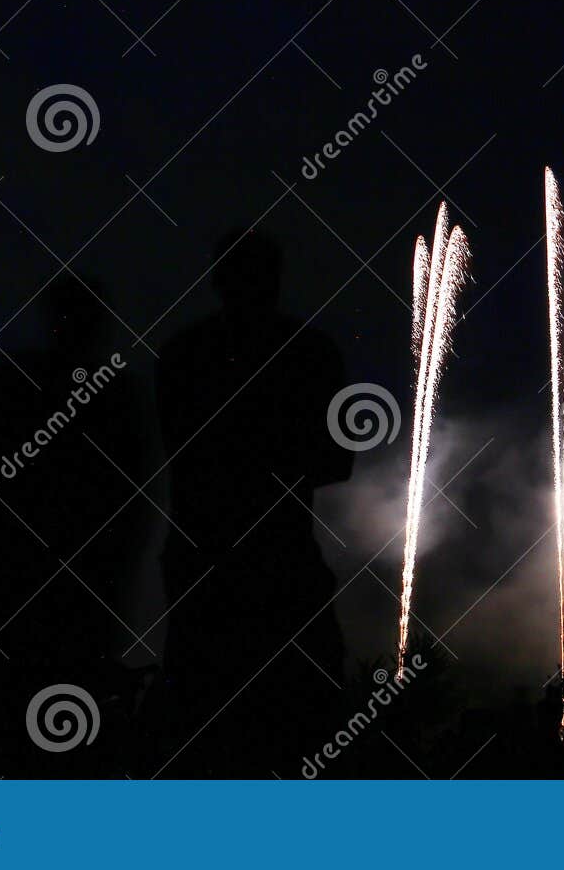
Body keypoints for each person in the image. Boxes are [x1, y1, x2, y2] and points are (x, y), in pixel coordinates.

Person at [155, 229, 351, 775]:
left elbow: (183, 455)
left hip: (205, 561)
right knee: (300, 722)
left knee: (201, 728)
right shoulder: (310, 352)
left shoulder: (182, 354)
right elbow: (336, 463)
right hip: (275, 562)